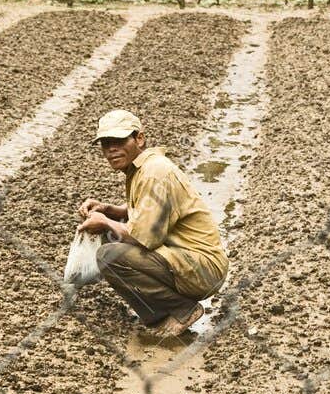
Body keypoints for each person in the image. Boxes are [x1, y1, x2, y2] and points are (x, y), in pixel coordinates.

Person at [77, 109, 227, 338]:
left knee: (110, 254)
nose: (111, 150)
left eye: (118, 141)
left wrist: (105, 221)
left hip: (202, 268)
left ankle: (181, 309)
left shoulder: (155, 171)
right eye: (106, 144)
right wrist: (112, 210)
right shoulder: (143, 168)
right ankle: (162, 314)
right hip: (189, 260)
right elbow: (150, 209)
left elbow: (143, 238)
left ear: (139, 138)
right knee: (112, 238)